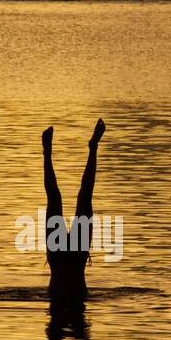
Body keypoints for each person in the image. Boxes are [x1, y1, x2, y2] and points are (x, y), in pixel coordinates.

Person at [42, 119, 105, 302]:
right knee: (83, 196)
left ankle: (47, 153)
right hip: (75, 272)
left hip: (60, 270)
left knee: (57, 197)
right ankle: (92, 148)